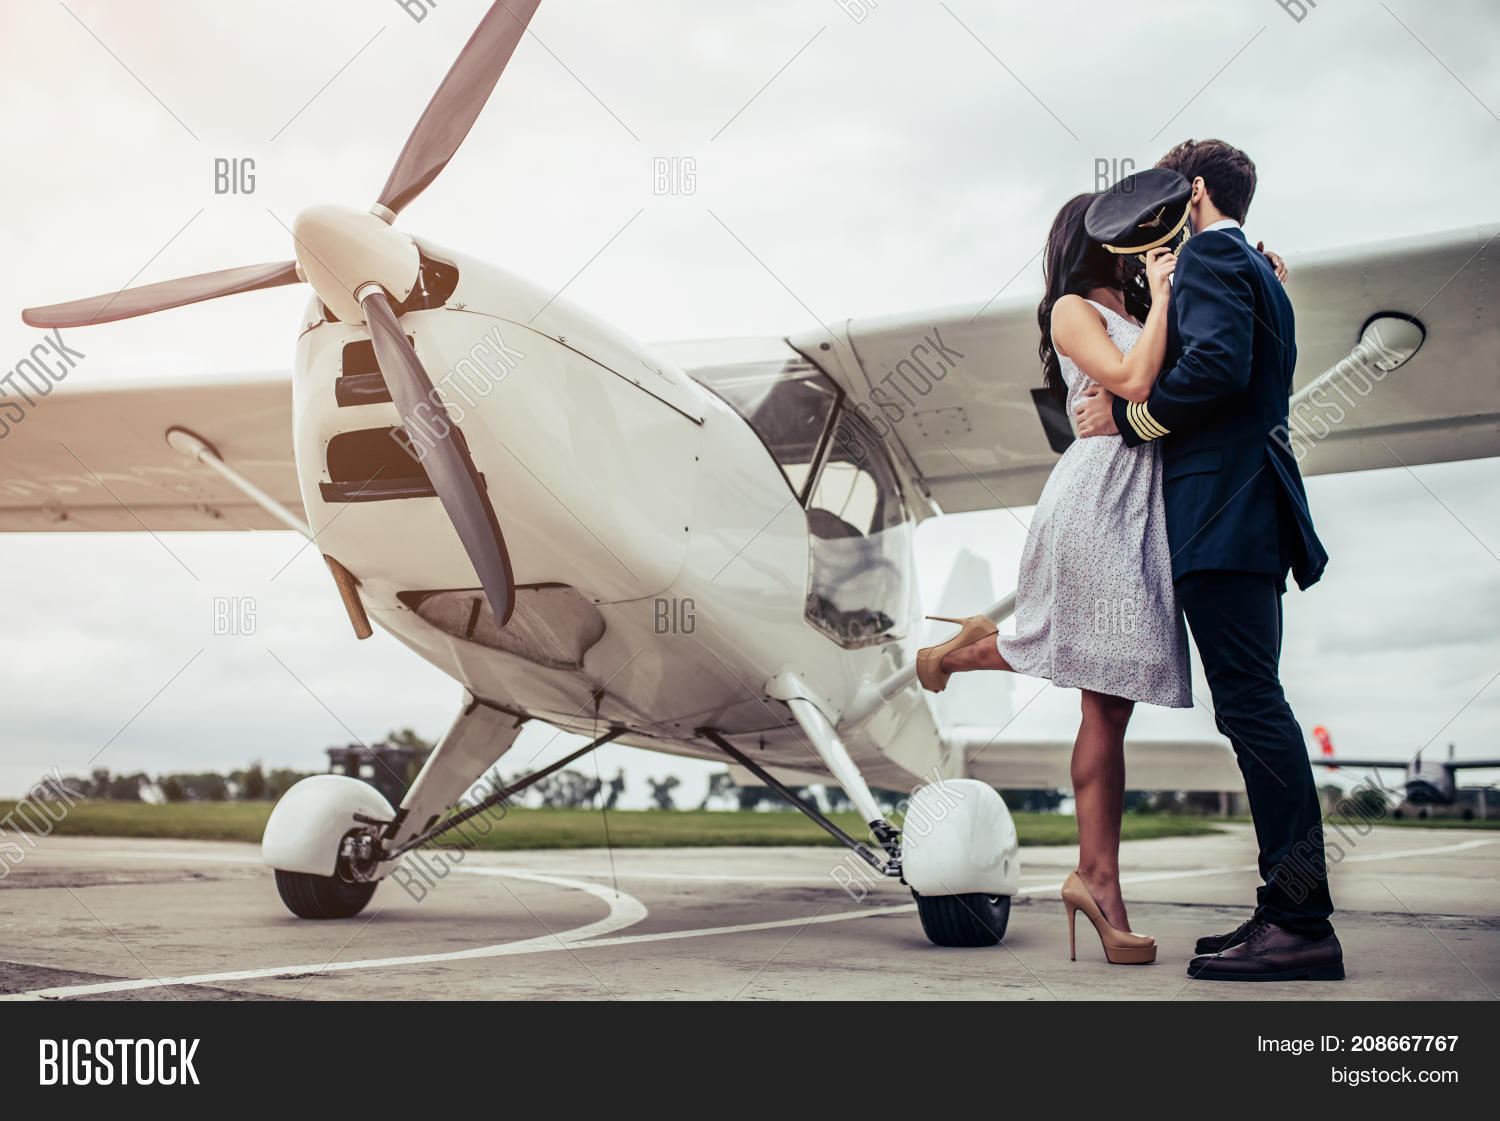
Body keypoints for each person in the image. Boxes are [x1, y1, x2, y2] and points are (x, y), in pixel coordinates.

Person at [1074, 139, 1341, 982]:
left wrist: (1129, 423)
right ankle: (1283, 909)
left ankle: (1299, 921)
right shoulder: (1247, 266)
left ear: (1193, 192)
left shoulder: (1214, 257)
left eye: (1164, 193)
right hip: (1245, 508)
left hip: (1223, 510)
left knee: (1255, 711)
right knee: (1253, 709)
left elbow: (1219, 367)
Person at [915, 176, 1195, 966]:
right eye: (1122, 229)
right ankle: (1099, 882)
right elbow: (1137, 381)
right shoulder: (1074, 309)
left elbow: (1164, 389)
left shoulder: (1139, 311)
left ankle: (969, 645)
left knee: (1107, 703)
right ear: (1092, 238)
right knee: (1097, 696)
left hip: (1139, 505)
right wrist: (1168, 297)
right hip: (1095, 500)